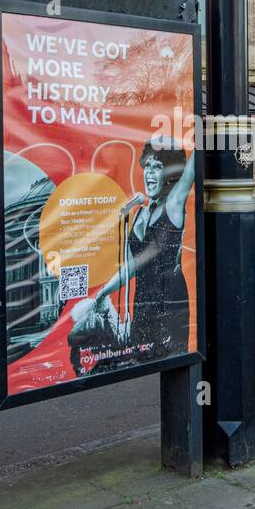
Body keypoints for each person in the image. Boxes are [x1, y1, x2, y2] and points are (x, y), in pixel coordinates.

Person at [72, 137, 194, 371]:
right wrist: (100, 295)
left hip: (170, 303)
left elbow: (191, 171)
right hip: (143, 302)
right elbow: (130, 266)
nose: (149, 171)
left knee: (174, 362)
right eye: (147, 165)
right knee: (144, 359)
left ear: (170, 173)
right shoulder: (139, 214)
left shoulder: (174, 204)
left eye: (157, 167)